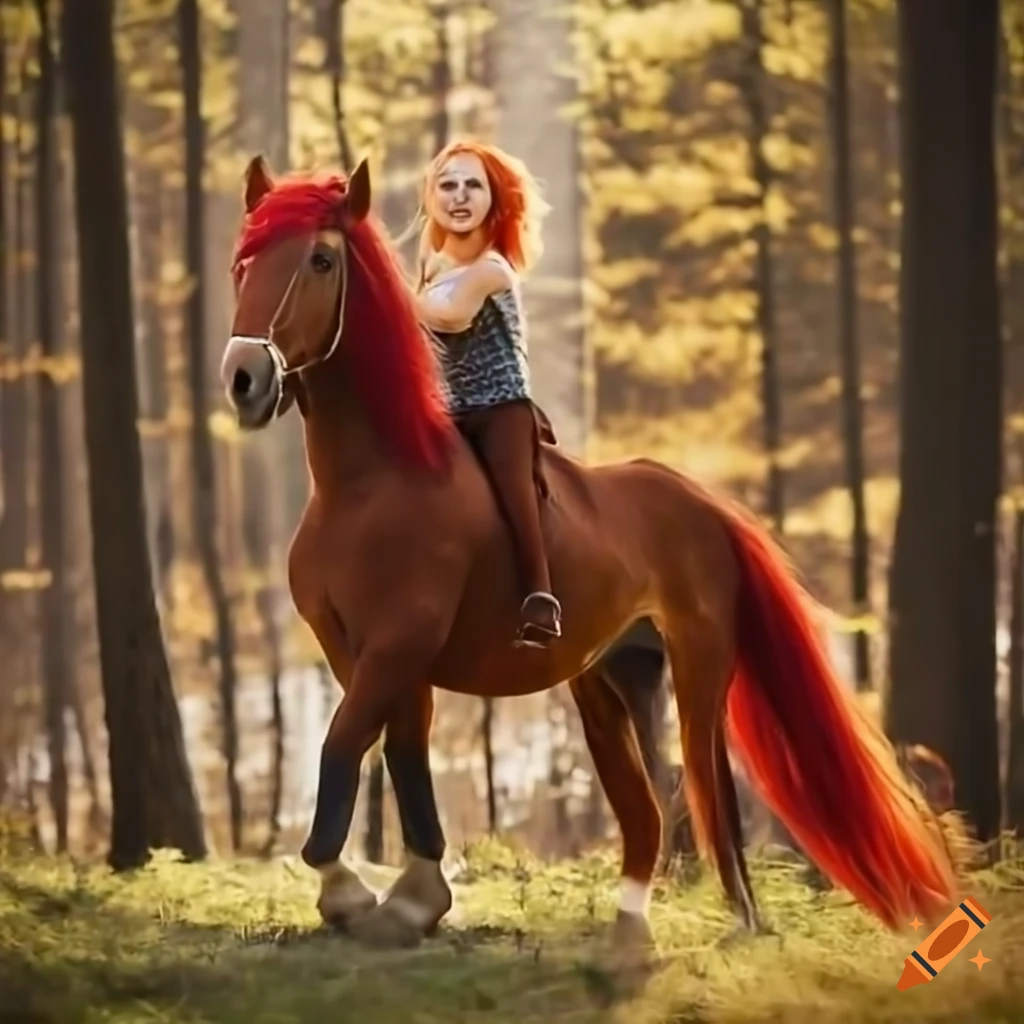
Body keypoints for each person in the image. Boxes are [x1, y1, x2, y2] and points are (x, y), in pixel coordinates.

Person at [413, 139, 561, 649]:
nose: (459, 196)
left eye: (473, 185)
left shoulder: (494, 269)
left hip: (501, 409)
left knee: (513, 492)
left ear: (493, 201)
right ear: (430, 198)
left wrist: (392, 300)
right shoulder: (429, 267)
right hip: (448, 412)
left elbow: (450, 315)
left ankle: (539, 595)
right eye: (447, 185)